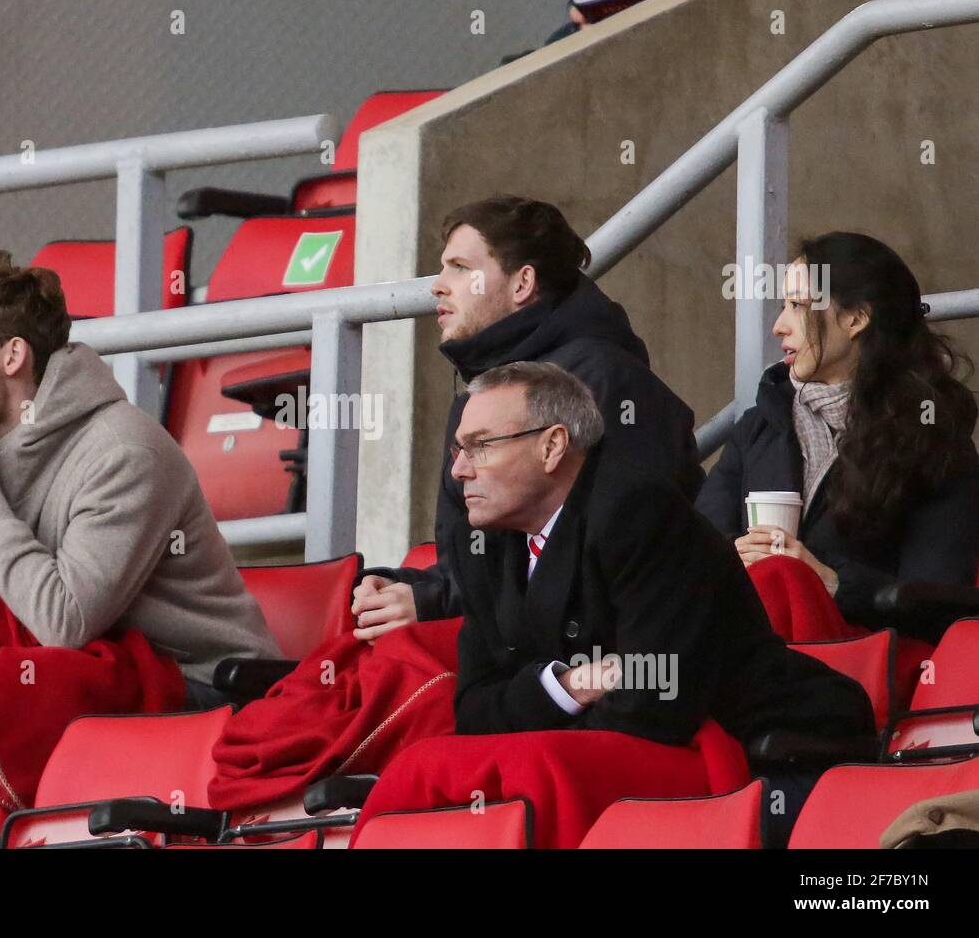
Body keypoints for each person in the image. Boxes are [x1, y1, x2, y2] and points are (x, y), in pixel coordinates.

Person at [0, 251, 279, 708]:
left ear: (12, 355)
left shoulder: (124, 452)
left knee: (7, 701)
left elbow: (63, 624)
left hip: (202, 685)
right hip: (75, 682)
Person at [445, 360, 872, 744]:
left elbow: (652, 701)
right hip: (612, 747)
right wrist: (572, 685)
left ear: (552, 446)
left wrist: (537, 708)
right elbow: (472, 713)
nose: (459, 470)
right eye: (459, 449)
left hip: (761, 744)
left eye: (481, 446)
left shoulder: (635, 510)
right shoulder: (481, 539)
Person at [353, 195, 702, 639]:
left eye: (460, 267)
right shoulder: (485, 386)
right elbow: (472, 563)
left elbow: (595, 571)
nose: (438, 286)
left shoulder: (607, 381)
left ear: (522, 284)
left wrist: (432, 602)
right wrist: (403, 588)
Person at [696, 232, 979, 644]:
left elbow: (936, 601)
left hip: (852, 666)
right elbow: (696, 545)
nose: (778, 327)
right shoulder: (759, 426)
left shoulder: (935, 443)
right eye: (783, 306)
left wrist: (829, 581)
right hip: (749, 653)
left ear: (854, 319)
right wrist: (738, 556)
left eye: (798, 305)